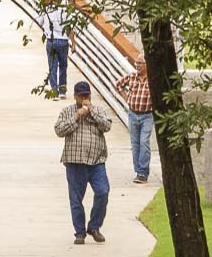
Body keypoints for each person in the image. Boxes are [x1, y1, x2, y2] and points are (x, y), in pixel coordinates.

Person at [55, 81, 112, 245]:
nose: (84, 98)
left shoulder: (98, 110)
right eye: (81, 96)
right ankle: (79, 232)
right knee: (76, 199)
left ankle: (94, 226)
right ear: (75, 97)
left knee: (103, 192)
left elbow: (107, 126)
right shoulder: (67, 111)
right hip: (75, 161)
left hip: (96, 161)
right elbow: (59, 130)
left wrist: (91, 111)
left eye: (87, 95)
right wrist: (77, 116)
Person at [115, 55, 155, 185]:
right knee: (135, 143)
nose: (137, 65)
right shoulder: (132, 76)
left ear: (147, 65)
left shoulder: (152, 79)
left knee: (144, 142)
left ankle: (143, 172)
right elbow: (118, 85)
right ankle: (139, 171)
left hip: (147, 115)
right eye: (136, 63)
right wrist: (126, 97)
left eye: (140, 63)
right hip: (133, 114)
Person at [42, 0, 72, 98]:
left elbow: (41, 23)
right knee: (63, 66)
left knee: (52, 66)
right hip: (63, 41)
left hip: (51, 40)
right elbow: (70, 28)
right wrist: (74, 44)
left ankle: (54, 90)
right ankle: (62, 91)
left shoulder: (47, 12)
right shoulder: (65, 13)